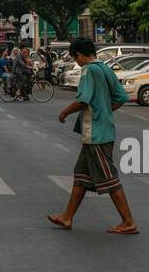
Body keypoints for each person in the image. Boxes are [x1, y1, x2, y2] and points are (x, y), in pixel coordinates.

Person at [49, 37, 137, 235]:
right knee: (81, 176)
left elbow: (83, 100)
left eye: (75, 58)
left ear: (79, 55)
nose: (76, 62)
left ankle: (128, 221)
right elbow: (121, 97)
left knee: (109, 178)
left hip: (96, 134)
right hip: (103, 131)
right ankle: (67, 217)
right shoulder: (105, 68)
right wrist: (105, 110)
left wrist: (64, 112)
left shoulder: (89, 70)